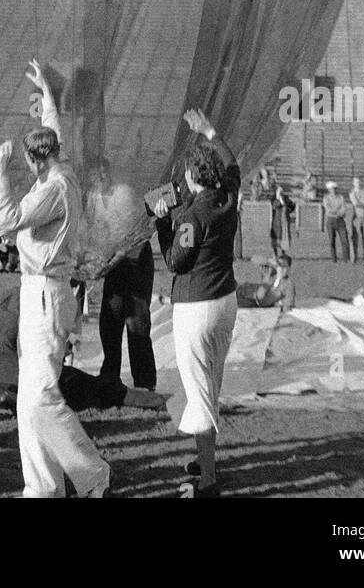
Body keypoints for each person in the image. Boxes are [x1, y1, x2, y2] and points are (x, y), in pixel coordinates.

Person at [0, 76, 110, 500]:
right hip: (40, 290)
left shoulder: (54, 187)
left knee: (40, 397)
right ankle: (42, 489)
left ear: (37, 162)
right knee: (28, 402)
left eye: (26, 162)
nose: (25, 167)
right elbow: (53, 136)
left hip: (46, 292)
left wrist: (1, 174)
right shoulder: (60, 171)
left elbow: (6, 219)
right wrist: (47, 95)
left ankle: (92, 474)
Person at [153, 108, 239, 497]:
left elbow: (175, 261)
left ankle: (207, 480)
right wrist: (208, 131)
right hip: (226, 300)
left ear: (191, 177)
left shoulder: (191, 215)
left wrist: (161, 223)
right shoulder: (228, 196)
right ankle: (206, 462)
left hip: (196, 305)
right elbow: (232, 164)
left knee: (199, 393)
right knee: (212, 386)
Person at [98, 240, 157, 396]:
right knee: (110, 320)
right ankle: (110, 378)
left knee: (138, 323)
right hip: (115, 257)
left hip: (138, 257)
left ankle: (144, 383)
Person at [322, 181, 350, 261]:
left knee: (344, 239)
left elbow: (344, 208)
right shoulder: (326, 198)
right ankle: (334, 258)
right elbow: (328, 210)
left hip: (340, 220)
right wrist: (338, 210)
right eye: (331, 189)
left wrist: (338, 212)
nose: (333, 190)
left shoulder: (341, 197)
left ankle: (346, 258)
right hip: (331, 221)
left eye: (334, 189)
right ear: (329, 190)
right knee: (332, 241)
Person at [348, 178, 364, 264]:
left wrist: (361, 203)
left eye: (359, 182)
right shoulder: (352, 192)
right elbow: (355, 203)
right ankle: (353, 258)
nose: (358, 183)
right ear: (353, 183)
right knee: (355, 237)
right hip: (356, 217)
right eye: (356, 182)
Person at [269, 184, 295, 258]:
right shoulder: (273, 198)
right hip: (276, 221)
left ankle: (283, 253)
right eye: (279, 191)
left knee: (284, 236)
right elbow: (275, 205)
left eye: (281, 191)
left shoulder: (286, 198)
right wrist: (278, 198)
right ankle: (275, 253)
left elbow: (292, 206)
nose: (281, 192)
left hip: (284, 222)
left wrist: (288, 210)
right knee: (275, 236)